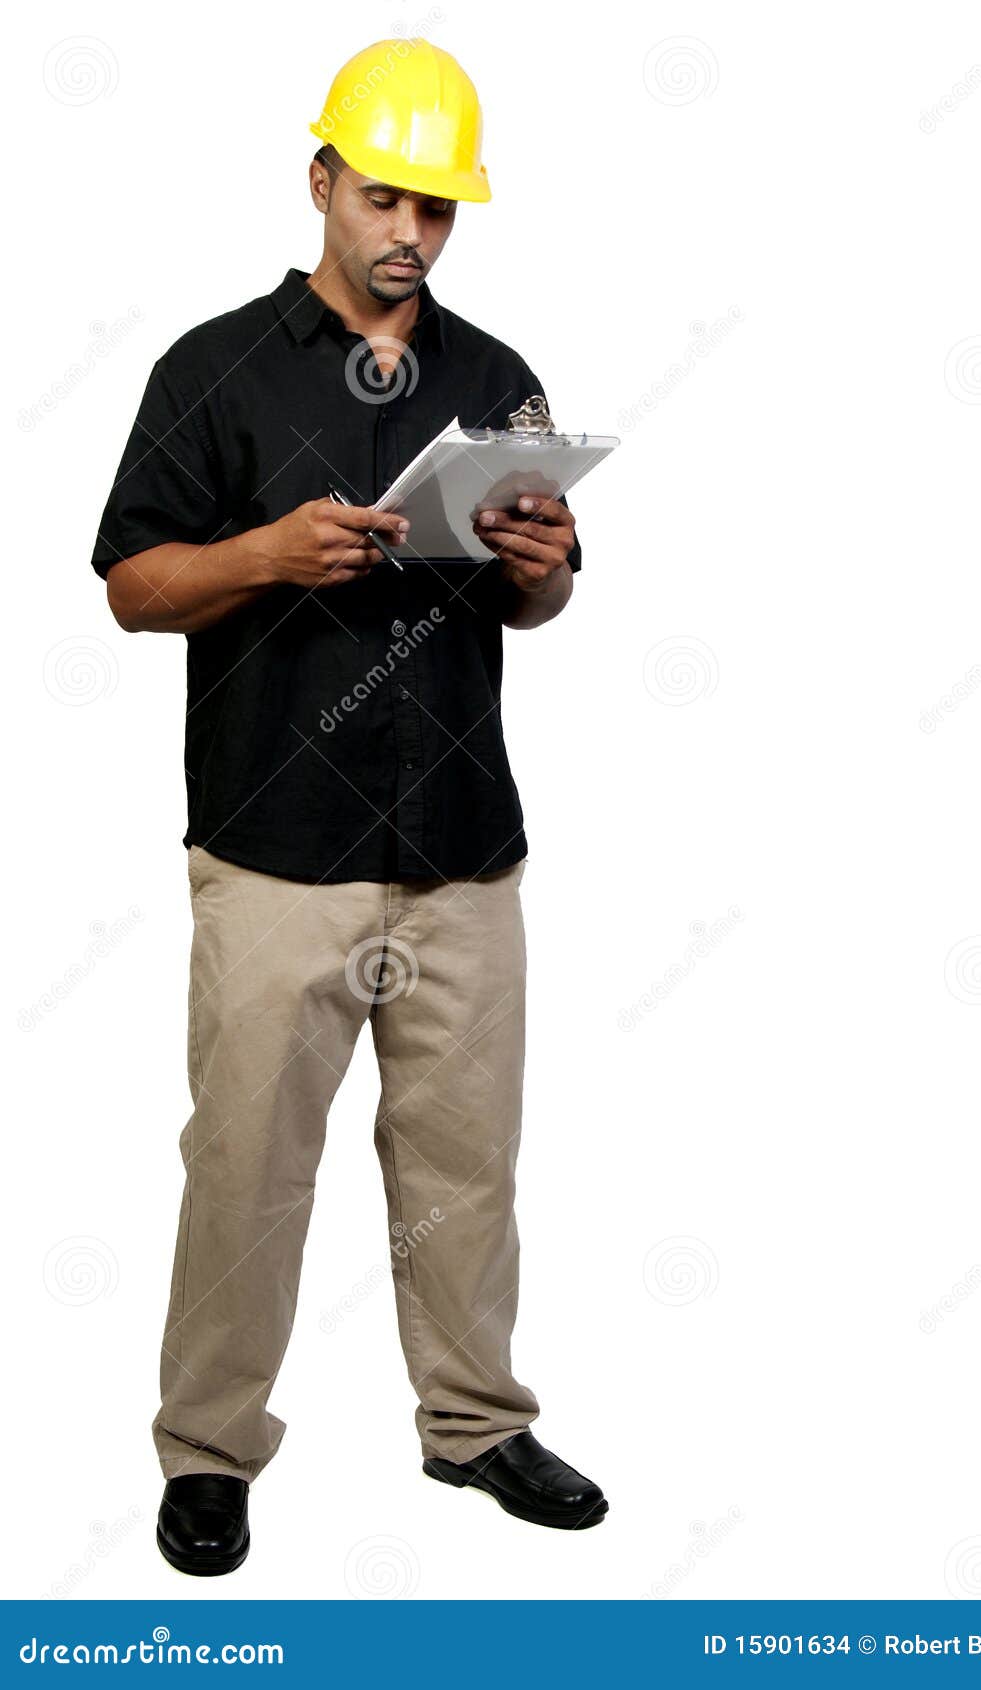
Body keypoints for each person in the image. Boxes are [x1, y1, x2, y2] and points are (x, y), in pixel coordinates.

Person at [91, 38, 608, 1577]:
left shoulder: (493, 377)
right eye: (387, 195)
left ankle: (475, 1424)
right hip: (276, 851)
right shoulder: (209, 371)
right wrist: (265, 557)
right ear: (321, 180)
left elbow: (544, 599)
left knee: (466, 1161)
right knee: (247, 1164)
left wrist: (541, 566)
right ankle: (207, 1450)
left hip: (460, 848)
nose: (412, 233)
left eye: (439, 210)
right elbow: (132, 586)